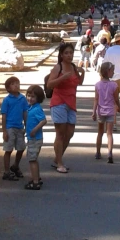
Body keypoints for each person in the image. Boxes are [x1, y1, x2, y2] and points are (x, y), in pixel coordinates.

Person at [47, 41, 85, 174]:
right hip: (59, 103)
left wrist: (82, 72)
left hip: (71, 103)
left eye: (71, 53)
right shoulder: (58, 68)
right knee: (60, 133)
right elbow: (50, 84)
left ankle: (57, 158)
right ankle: (59, 162)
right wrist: (62, 77)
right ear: (62, 55)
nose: (69, 55)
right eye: (66, 53)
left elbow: (79, 82)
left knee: (69, 133)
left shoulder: (74, 67)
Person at [92, 61, 120, 163]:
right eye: (112, 70)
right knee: (109, 133)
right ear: (108, 71)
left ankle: (98, 152)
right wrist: (118, 107)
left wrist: (94, 112)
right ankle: (109, 152)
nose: (113, 72)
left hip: (100, 111)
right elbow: (116, 99)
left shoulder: (97, 85)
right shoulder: (114, 85)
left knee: (100, 132)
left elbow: (96, 99)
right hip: (110, 112)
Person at [1, 76, 28, 180]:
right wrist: (4, 131)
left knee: (21, 148)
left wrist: (26, 125)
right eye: (13, 84)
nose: (16, 85)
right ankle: (6, 171)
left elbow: (25, 112)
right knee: (8, 149)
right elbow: (4, 116)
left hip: (19, 127)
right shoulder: (6, 100)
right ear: (8, 88)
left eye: (17, 83)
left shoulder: (22, 99)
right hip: (10, 127)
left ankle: (15, 166)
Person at [24, 85, 47, 190]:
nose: (30, 98)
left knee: (32, 160)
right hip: (31, 138)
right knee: (33, 159)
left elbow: (43, 121)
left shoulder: (37, 109)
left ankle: (35, 182)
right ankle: (36, 177)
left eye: (33, 97)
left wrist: (34, 130)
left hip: (35, 139)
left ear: (38, 98)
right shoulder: (31, 108)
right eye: (28, 96)